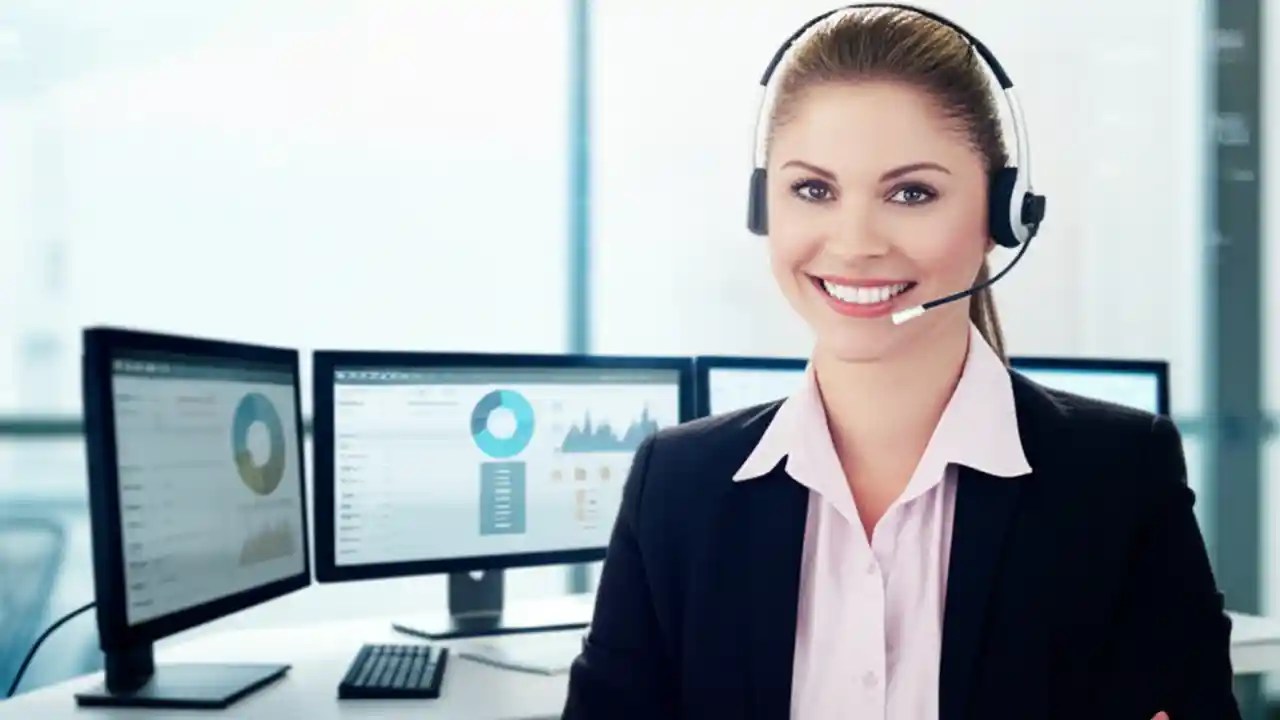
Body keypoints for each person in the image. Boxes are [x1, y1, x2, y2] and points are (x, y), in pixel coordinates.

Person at [562, 5, 1239, 720]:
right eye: (813, 190)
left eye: (911, 192)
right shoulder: (678, 488)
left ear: (1001, 216)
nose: (855, 242)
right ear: (765, 208)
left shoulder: (1118, 479)